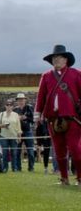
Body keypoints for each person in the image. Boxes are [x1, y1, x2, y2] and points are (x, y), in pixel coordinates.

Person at [34, 44, 81, 186]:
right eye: (54, 57)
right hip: (53, 120)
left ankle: (80, 178)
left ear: (66, 59)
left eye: (59, 57)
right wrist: (37, 115)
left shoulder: (76, 74)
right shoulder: (46, 76)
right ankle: (64, 178)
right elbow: (41, 97)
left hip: (72, 118)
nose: (56, 60)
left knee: (75, 149)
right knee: (59, 151)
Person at [0, 99, 22, 173]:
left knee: (14, 153)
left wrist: (19, 136)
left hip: (14, 136)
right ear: (5, 106)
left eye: (10, 105)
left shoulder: (16, 115)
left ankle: (14, 168)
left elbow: (18, 127)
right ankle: (5, 168)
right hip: (4, 136)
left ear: (12, 106)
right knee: (5, 153)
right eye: (7, 105)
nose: (9, 106)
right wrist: (3, 125)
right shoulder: (1, 114)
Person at [13, 92, 35, 172]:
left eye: (22, 99)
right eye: (19, 100)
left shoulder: (29, 108)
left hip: (28, 131)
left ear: (25, 100)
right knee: (17, 151)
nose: (21, 101)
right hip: (18, 132)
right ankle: (18, 168)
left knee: (30, 151)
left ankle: (31, 168)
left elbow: (33, 119)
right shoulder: (15, 110)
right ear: (17, 101)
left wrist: (25, 118)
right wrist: (17, 119)